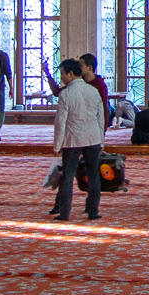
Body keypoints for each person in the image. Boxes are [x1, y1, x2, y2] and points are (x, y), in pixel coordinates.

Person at [53, 58, 106, 221]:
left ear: (70, 74)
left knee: (68, 176)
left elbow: (60, 122)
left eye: (62, 74)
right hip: (93, 137)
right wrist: (101, 140)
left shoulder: (66, 94)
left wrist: (57, 145)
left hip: (72, 139)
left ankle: (64, 213)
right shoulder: (93, 91)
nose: (62, 78)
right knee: (94, 175)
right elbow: (101, 117)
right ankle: (93, 211)